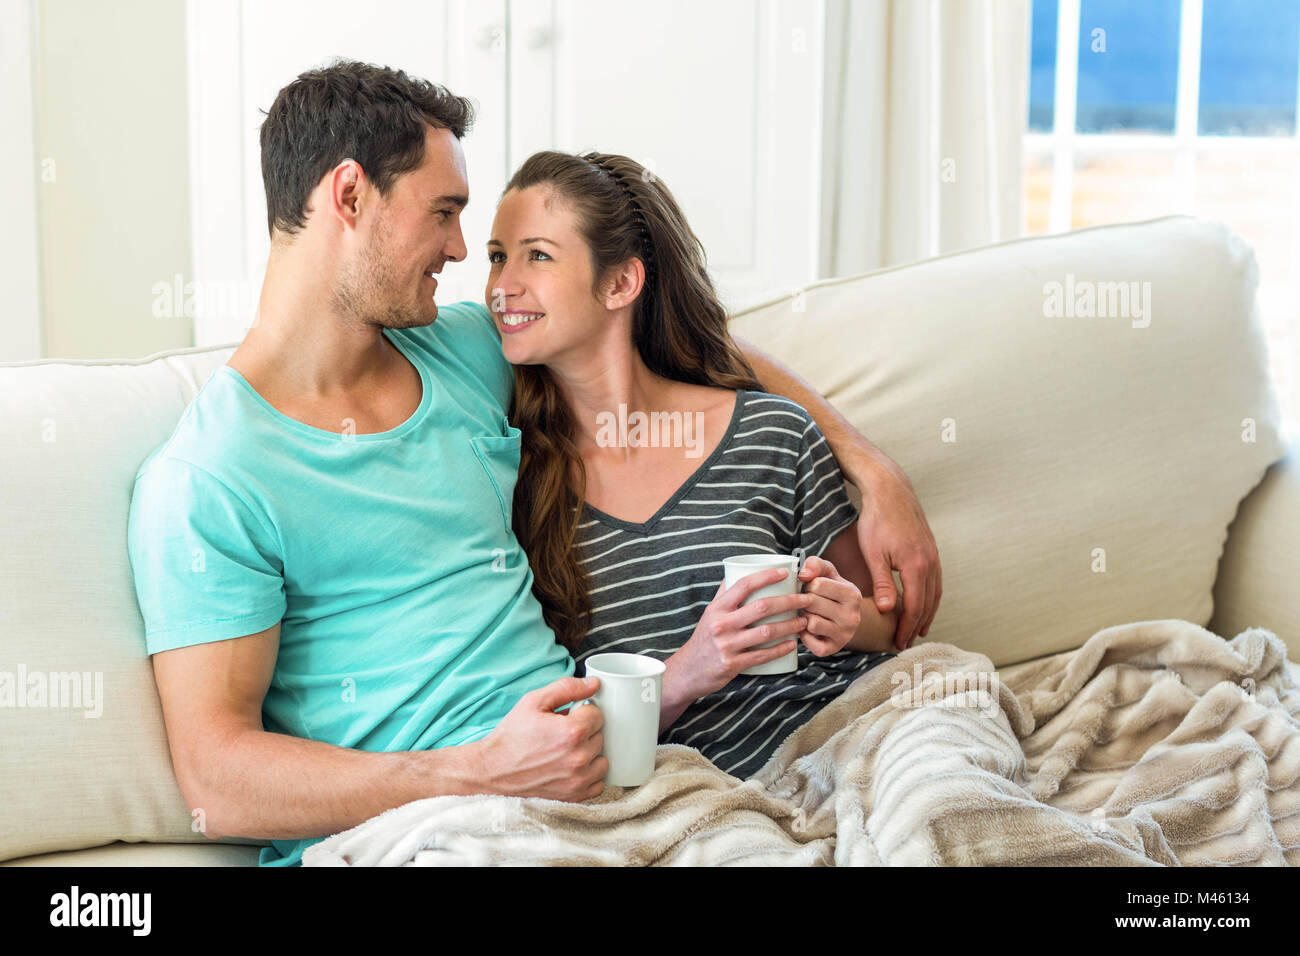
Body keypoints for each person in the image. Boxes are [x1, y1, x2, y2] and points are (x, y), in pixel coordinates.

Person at [125, 60, 941, 867]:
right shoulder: (207, 481)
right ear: (348, 195)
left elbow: (680, 335)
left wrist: (868, 464)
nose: (457, 251)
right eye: (443, 213)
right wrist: (472, 772)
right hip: (433, 829)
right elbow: (216, 781)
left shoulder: (463, 353)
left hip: (606, 784)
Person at [487, 151, 898, 778]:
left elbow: (887, 625)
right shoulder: (513, 484)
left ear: (620, 283)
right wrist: (687, 672)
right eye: (497, 256)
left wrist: (847, 618)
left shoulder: (771, 431)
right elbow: (564, 737)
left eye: (537, 255)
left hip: (856, 739)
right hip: (695, 784)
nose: (501, 284)